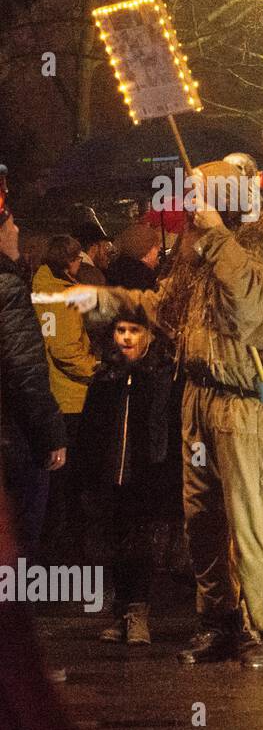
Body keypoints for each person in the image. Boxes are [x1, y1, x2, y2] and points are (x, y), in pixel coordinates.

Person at [65, 160, 263, 669]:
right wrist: (110, 301)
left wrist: (216, 237)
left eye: (200, 195)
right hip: (197, 398)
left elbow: (249, 307)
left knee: (255, 514)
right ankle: (219, 623)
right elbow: (165, 310)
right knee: (204, 520)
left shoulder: (256, 250)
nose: (191, 204)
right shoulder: (196, 259)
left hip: (241, 401)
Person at [79, 310, 183, 645]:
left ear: (148, 335)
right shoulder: (107, 376)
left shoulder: (162, 376)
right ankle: (121, 610)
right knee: (116, 542)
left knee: (142, 544)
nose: (126, 337)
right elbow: (91, 427)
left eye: (133, 330)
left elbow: (169, 425)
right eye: (121, 330)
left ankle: (139, 613)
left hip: (147, 473)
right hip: (112, 474)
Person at [0, 202, 67, 555]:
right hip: (14, 440)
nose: (17, 231)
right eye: (10, 225)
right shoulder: (8, 286)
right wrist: (51, 435)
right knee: (18, 542)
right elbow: (24, 369)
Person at [32, 235, 98, 562]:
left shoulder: (36, 289)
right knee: (71, 483)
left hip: (45, 393)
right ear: (70, 262)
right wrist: (95, 369)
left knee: (53, 479)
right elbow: (65, 348)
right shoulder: (66, 296)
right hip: (70, 395)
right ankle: (68, 553)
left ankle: (50, 547)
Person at [105, 223, 161, 291]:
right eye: (156, 246)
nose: (159, 250)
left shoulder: (113, 267)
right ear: (147, 249)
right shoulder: (145, 276)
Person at [75, 220, 113, 286]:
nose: (109, 253)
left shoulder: (68, 268)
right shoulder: (92, 275)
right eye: (105, 246)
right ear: (94, 246)